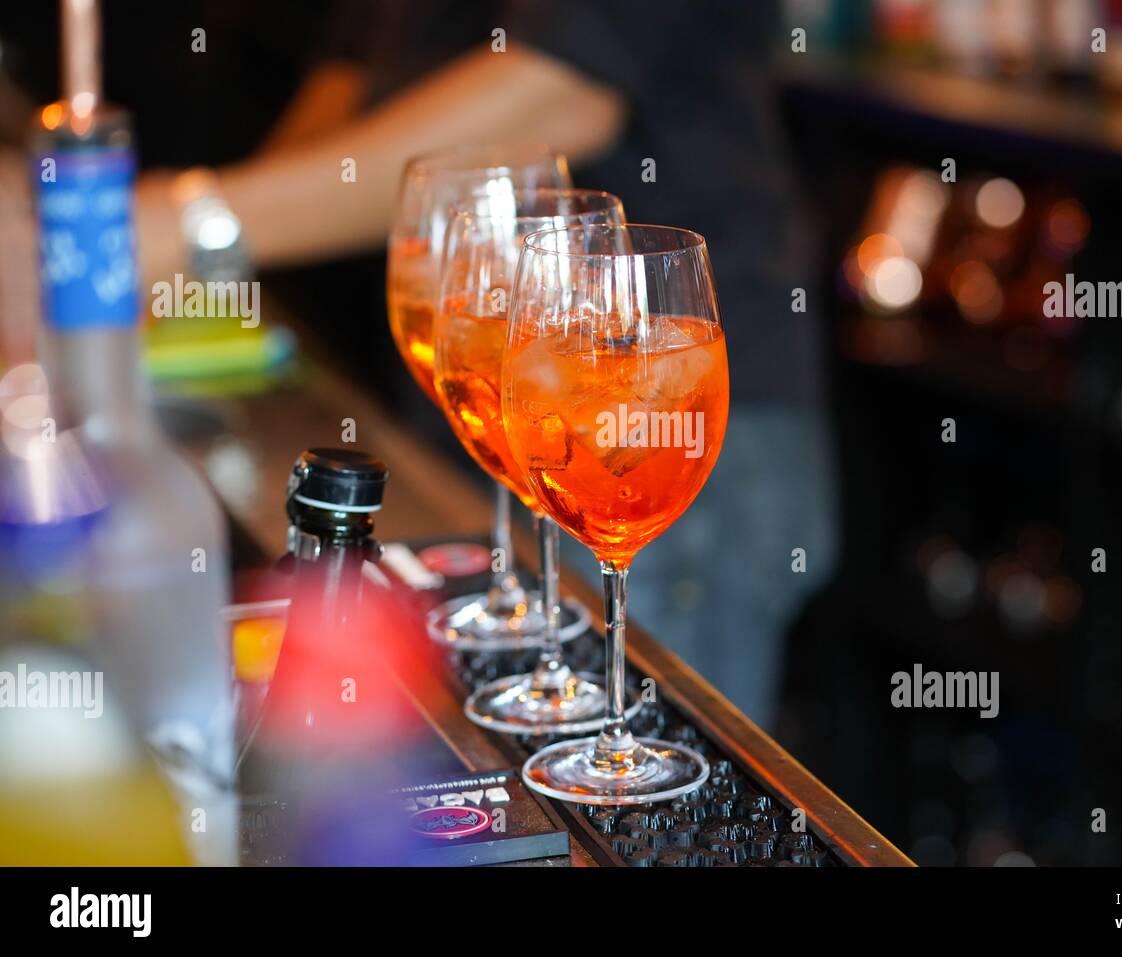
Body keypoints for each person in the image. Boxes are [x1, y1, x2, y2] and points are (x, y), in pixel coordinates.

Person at [1, 0, 837, 728]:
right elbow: (356, 79)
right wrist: (202, 253)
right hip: (492, 400)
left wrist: (186, 223)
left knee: (628, 798)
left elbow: (564, 90)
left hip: (651, 402)